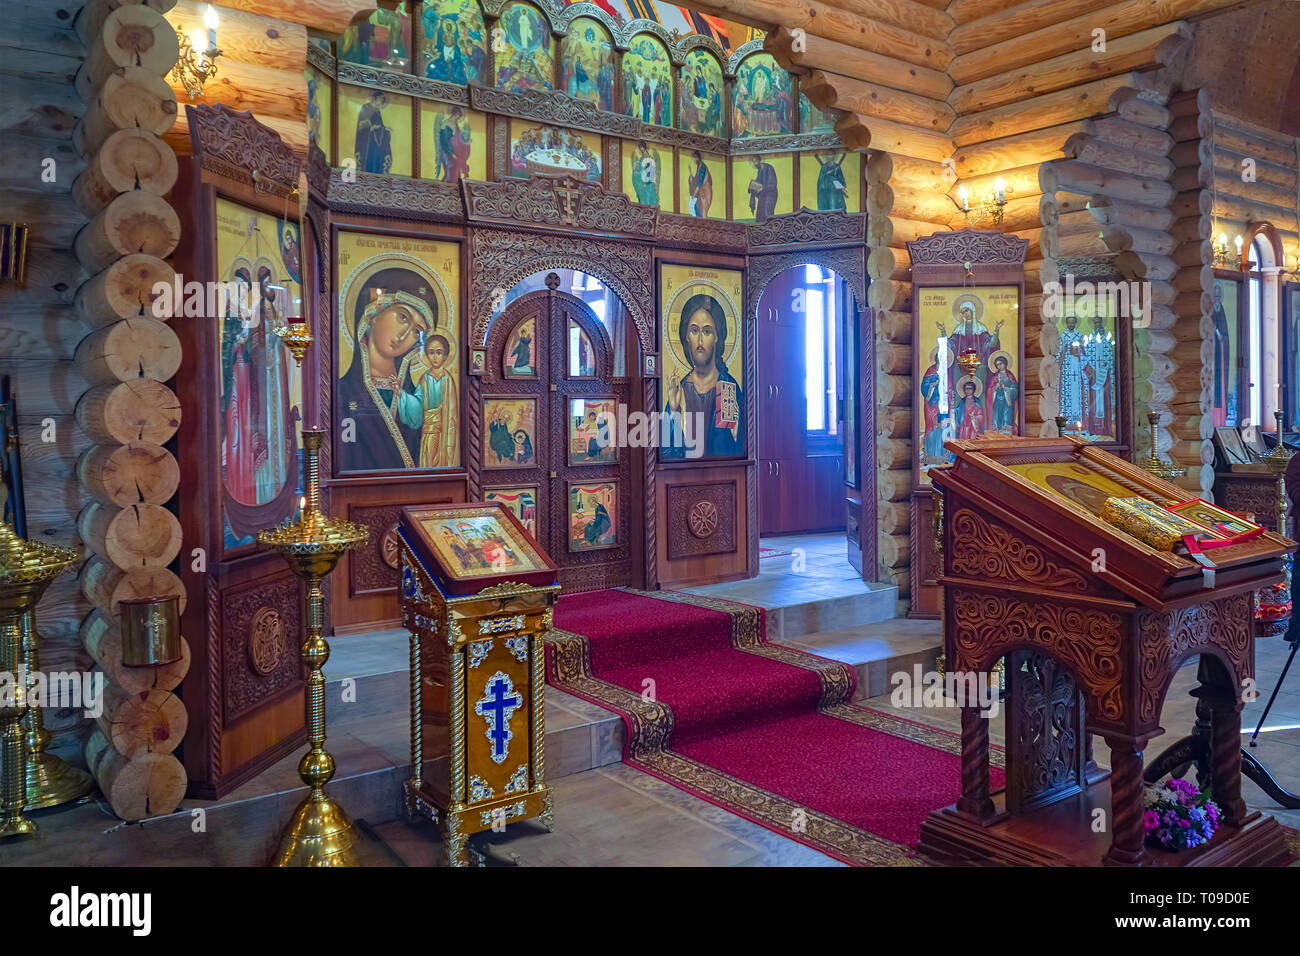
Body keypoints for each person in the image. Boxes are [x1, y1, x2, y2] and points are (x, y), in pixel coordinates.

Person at [662, 293, 743, 459]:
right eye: (693, 331)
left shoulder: (727, 387)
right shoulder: (680, 390)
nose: (699, 341)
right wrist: (674, 411)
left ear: (717, 337)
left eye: (707, 331)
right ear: (686, 336)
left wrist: (735, 433)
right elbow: (667, 453)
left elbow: (731, 452)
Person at [410, 332, 458, 468]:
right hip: (428, 428)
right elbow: (417, 403)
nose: (435, 357)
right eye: (431, 353)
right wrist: (401, 395)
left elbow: (453, 411)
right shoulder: (424, 378)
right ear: (426, 355)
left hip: (444, 429)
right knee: (428, 458)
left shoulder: (448, 379)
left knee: (440, 459)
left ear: (445, 355)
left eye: (439, 352)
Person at [1056, 314, 1086, 426]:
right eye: (1069, 322)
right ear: (1066, 323)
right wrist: (1061, 356)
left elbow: (1085, 352)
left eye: (1073, 322)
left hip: (1077, 365)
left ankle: (1077, 419)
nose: (1071, 324)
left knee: (1076, 390)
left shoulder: (1080, 336)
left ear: (1075, 323)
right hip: (1066, 367)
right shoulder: (1063, 336)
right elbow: (1059, 352)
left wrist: (1079, 352)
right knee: (1066, 390)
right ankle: (1066, 419)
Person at [355, 90, 392, 174]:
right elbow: (361, 125)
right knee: (369, 158)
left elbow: (379, 125)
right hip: (367, 141)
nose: (381, 102)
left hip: (376, 142)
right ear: (375, 98)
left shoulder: (378, 112)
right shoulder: (366, 107)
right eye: (381, 99)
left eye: (383, 100)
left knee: (378, 156)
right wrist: (371, 127)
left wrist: (385, 128)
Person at [989, 354, 1018, 433]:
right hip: (997, 400)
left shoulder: (1010, 376)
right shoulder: (995, 377)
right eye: (997, 365)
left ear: (1005, 363)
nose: (999, 366)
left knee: (1006, 414)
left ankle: (1006, 431)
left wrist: (1007, 389)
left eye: (1001, 364)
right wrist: (995, 387)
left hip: (1007, 400)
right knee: (997, 415)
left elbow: (1015, 389)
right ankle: (997, 430)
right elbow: (990, 390)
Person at [747, 154, 778, 223]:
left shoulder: (769, 168)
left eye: (756, 161)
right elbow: (758, 184)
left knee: (767, 214)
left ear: (760, 160)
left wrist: (761, 187)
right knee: (759, 215)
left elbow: (772, 185)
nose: (755, 163)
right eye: (753, 162)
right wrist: (753, 186)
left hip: (770, 195)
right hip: (763, 196)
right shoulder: (760, 171)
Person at [688, 150, 712, 218]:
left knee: (699, 208)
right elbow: (695, 180)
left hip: (704, 192)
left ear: (699, 157)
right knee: (696, 208)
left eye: (696, 157)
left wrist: (694, 194)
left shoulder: (702, 168)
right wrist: (690, 172)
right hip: (700, 193)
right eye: (694, 157)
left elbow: (700, 183)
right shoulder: (699, 167)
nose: (695, 159)